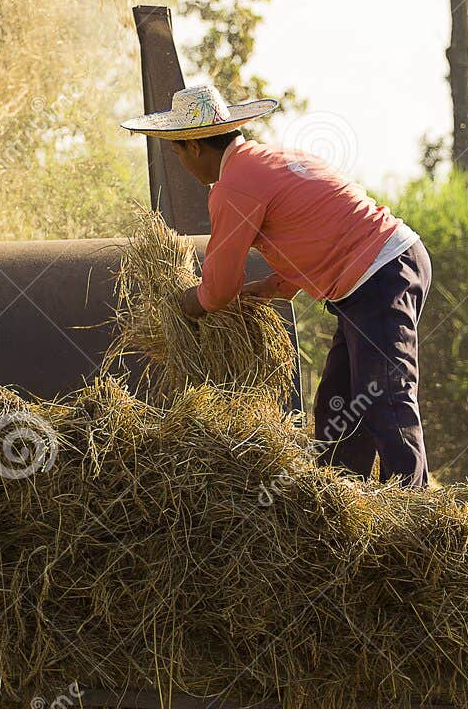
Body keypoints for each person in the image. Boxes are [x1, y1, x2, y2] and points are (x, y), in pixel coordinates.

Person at [120, 84, 431, 486]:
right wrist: (273, 286)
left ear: (194, 147)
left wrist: (180, 306)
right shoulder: (272, 159)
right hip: (376, 275)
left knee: (384, 397)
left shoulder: (233, 185)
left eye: (177, 151)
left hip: (382, 273)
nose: (181, 162)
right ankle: (345, 504)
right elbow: (320, 224)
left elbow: (218, 290)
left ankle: (414, 516)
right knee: (342, 405)